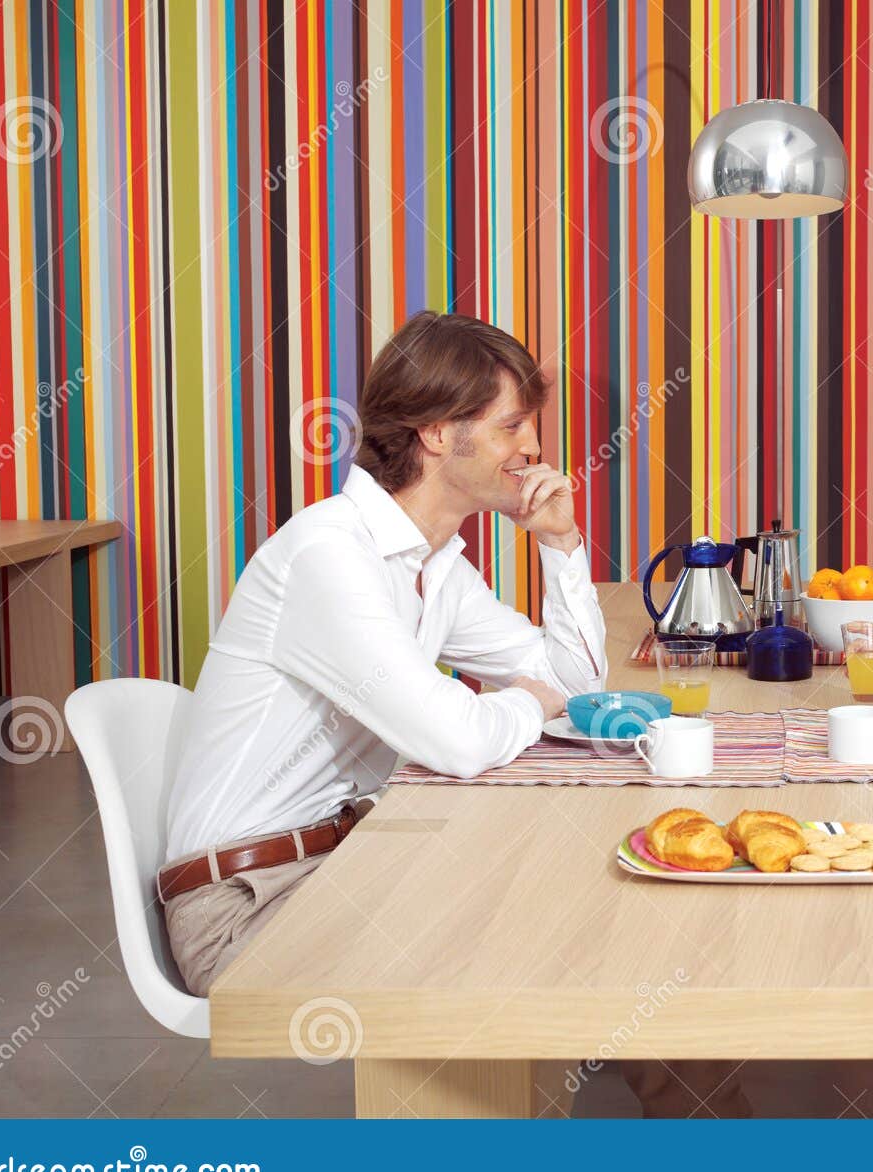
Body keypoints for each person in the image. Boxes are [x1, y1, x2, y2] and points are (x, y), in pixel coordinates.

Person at [159, 311, 606, 996]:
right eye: (511, 425)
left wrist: (560, 543)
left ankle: (673, 1096)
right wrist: (527, 701)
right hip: (245, 908)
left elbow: (579, 688)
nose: (534, 446)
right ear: (434, 432)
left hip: (342, 860)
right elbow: (458, 740)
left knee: (560, 883)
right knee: (527, 918)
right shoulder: (329, 553)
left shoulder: (436, 566)